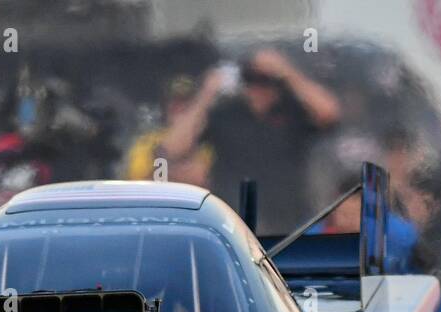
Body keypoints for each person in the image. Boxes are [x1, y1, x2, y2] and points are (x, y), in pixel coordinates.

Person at [163, 48, 341, 233]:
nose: (258, 89)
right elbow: (171, 148)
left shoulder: (293, 112)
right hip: (233, 224)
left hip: (289, 224)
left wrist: (288, 72)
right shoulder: (225, 115)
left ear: (278, 85)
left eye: (266, 81)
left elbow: (330, 113)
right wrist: (206, 93)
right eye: (250, 80)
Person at [122, 75, 215, 186]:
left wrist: (165, 168)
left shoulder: (208, 143)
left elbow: (203, 178)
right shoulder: (148, 141)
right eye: (174, 102)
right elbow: (137, 180)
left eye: (185, 104)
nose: (178, 108)